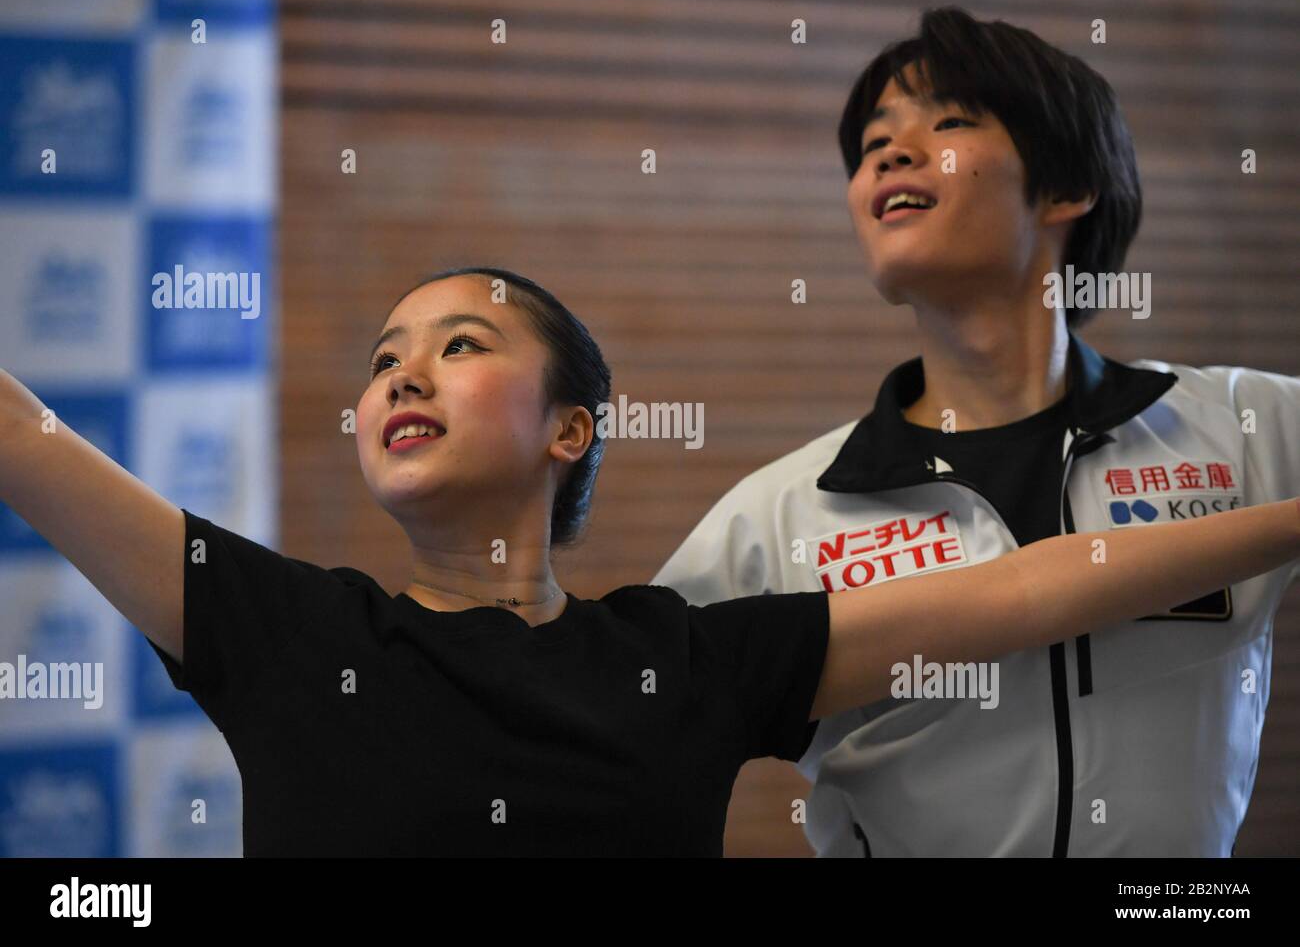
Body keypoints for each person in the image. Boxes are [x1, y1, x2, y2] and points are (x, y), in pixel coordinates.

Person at [1, 267, 1297, 857]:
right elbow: (27, 436)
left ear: (572, 429)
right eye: (385, 356)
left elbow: (1025, 589)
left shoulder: (685, 655)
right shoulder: (286, 633)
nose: (402, 371)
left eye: (459, 344)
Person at [653, 7, 1300, 857]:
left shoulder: (1250, 428)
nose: (889, 152)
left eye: (949, 122)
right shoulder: (776, 516)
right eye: (873, 141)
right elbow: (622, 726)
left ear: (1067, 187)